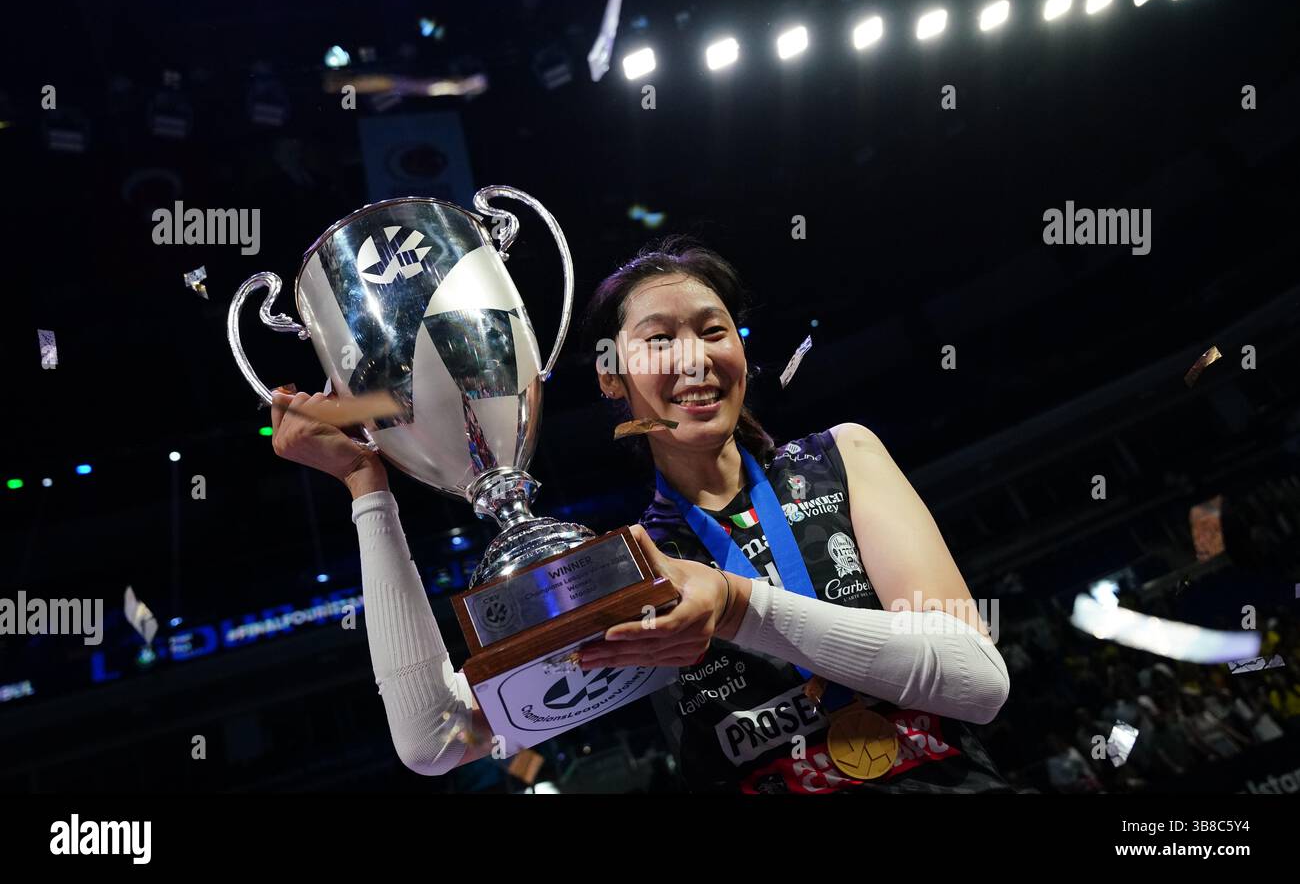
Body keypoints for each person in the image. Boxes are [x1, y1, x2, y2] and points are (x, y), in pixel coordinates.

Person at [269, 237, 1012, 793]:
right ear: (610, 377)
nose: (694, 357)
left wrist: (734, 602)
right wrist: (368, 489)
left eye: (713, 329)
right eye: (660, 338)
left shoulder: (842, 456)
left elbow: (978, 680)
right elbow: (435, 738)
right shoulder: (626, 562)